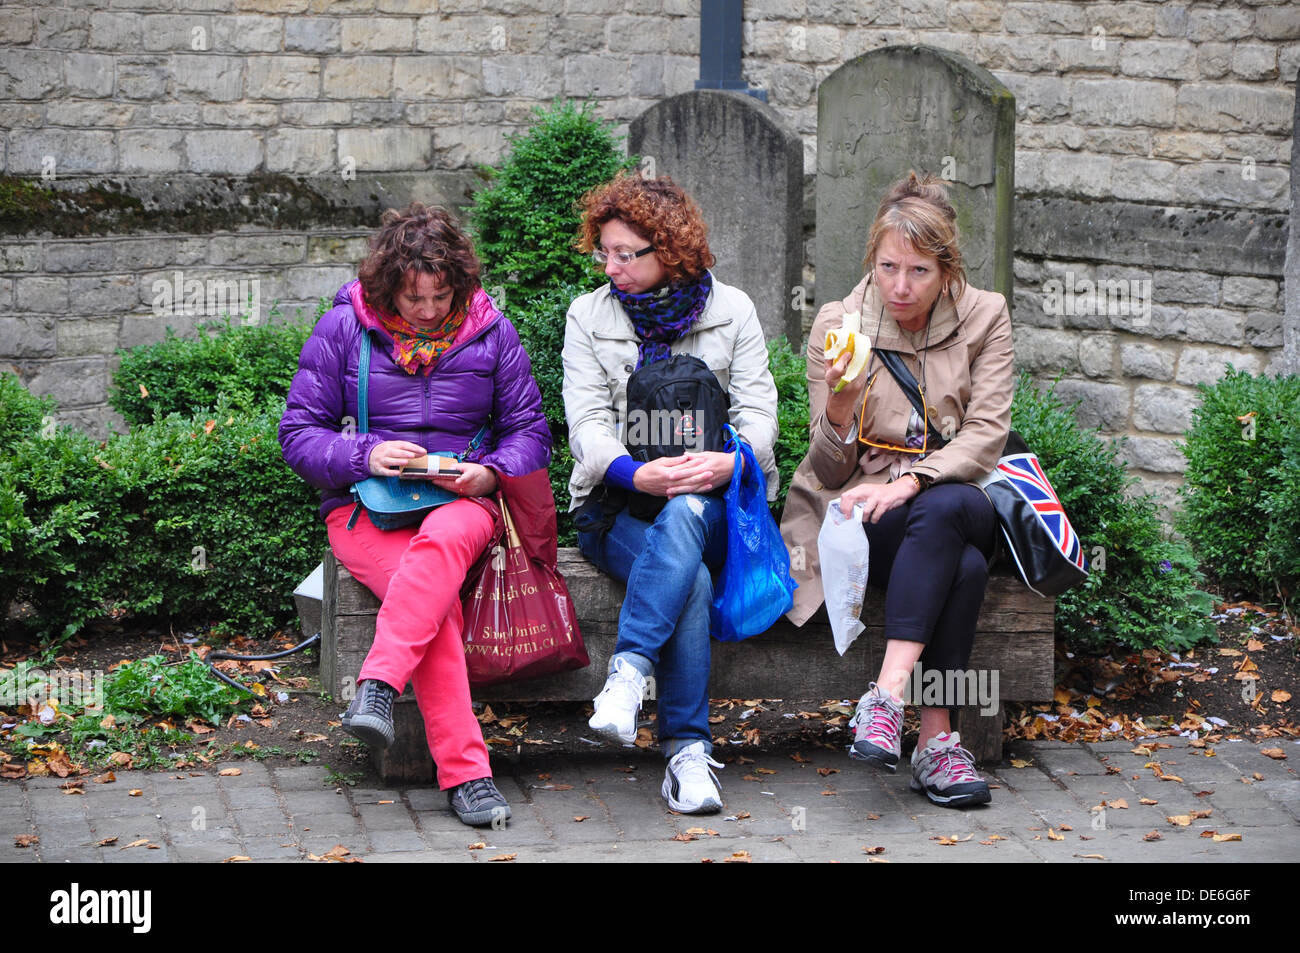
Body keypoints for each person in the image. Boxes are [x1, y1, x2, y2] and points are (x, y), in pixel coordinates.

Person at [279, 204, 550, 826]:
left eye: (441, 294)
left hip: (463, 501)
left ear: (459, 283)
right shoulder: (345, 328)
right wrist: (366, 453)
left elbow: (530, 432)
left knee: (447, 539)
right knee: (437, 606)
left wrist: (489, 473)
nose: (428, 309)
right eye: (412, 296)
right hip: (363, 510)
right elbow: (298, 435)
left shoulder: (492, 331)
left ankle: (377, 685)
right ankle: (469, 777)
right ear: (385, 288)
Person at [780, 172, 1014, 808]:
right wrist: (839, 408)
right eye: (887, 268)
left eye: (918, 271)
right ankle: (936, 744)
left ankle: (884, 698)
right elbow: (829, 475)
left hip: (957, 496)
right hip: (864, 516)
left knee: (947, 504)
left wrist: (911, 481)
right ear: (872, 261)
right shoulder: (840, 323)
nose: (900, 287)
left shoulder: (985, 316)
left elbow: (986, 434)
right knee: (961, 564)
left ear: (947, 270)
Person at [562, 172, 779, 814]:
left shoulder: (732, 310)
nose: (612, 266)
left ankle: (628, 675)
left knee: (686, 512)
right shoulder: (589, 316)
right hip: (617, 511)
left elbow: (762, 416)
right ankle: (687, 755)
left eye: (628, 253)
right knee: (691, 581)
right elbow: (587, 425)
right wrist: (635, 473)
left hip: (714, 508)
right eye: (605, 251)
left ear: (672, 251)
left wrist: (724, 463)